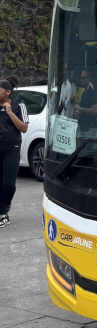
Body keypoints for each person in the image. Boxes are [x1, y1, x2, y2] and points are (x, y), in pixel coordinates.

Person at [0, 79, 29, 228]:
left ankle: (4, 211)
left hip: (12, 148)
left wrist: (10, 112)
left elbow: (24, 128)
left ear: (7, 92)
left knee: (8, 183)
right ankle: (1, 212)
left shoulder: (19, 106)